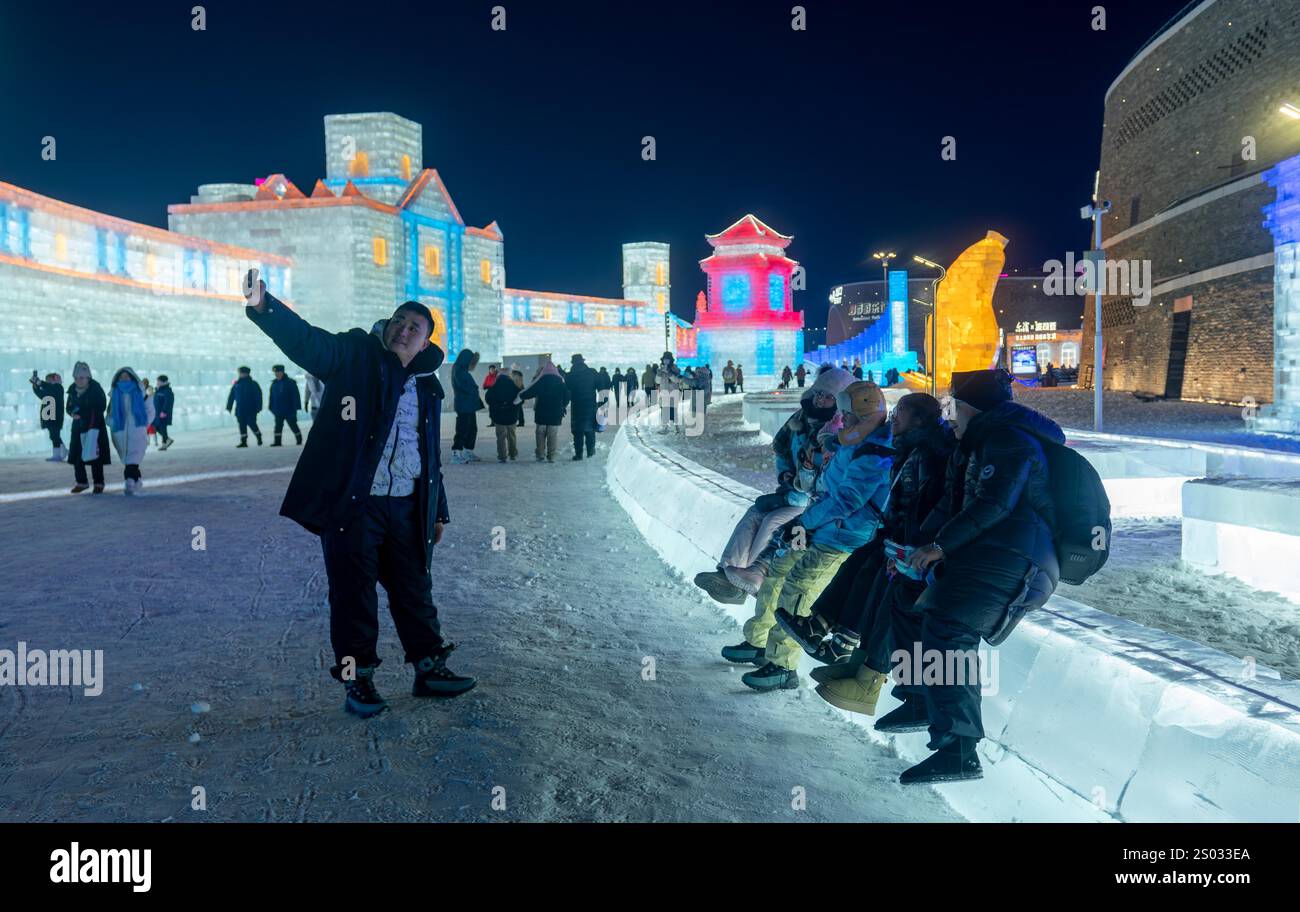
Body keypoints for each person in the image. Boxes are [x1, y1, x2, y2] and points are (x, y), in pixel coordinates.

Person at [243, 270, 473, 718]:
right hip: (355, 504)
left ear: (426, 343)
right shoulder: (353, 356)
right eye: (399, 321)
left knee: (414, 591)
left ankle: (429, 667)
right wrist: (264, 307)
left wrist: (437, 510)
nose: (404, 330)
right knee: (353, 596)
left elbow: (428, 453)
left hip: (407, 505)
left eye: (415, 328)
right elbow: (308, 342)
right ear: (387, 327)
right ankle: (359, 681)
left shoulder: (427, 385)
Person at [892, 369, 1061, 784]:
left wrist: (941, 546)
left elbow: (995, 505)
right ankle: (918, 699)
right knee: (911, 601)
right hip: (988, 551)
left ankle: (960, 749)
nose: (948, 415)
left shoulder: (1008, 441)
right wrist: (913, 544)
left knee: (949, 629)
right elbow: (954, 505)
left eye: (953, 406)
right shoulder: (977, 442)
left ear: (971, 408)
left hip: (1017, 557)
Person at [785, 394, 955, 714]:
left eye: (901, 413)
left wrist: (905, 545)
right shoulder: (910, 448)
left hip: (917, 547)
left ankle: (866, 675)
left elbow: (924, 505)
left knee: (886, 586)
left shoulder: (927, 452)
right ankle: (843, 648)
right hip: (901, 540)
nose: (894, 418)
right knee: (862, 564)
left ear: (919, 420)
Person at [735, 381, 894, 692]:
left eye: (848, 415)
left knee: (799, 589)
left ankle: (782, 664)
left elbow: (847, 500)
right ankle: (762, 641)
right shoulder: (852, 442)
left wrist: (805, 523)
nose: (842, 420)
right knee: (778, 572)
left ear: (864, 416)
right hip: (822, 525)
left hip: (841, 536)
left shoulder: (874, 454)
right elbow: (828, 480)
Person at [697, 367, 855, 605]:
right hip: (792, 491)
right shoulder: (800, 418)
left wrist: (795, 492)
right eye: (819, 393)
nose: (821, 400)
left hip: (812, 502)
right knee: (755, 513)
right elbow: (781, 449)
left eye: (829, 396)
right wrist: (785, 476)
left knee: (773, 521)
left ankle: (750, 577)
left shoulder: (836, 432)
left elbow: (820, 479)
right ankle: (726, 571)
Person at [107, 366, 155, 495]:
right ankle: (136, 479)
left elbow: (150, 411)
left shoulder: (141, 394)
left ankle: (129, 482)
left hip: (137, 432)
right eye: (121, 377)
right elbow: (109, 414)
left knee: (132, 460)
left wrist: (143, 425)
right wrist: (112, 423)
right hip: (120, 433)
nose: (124, 379)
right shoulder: (115, 394)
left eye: (127, 376)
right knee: (128, 460)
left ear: (133, 377)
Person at [67, 362, 110, 494]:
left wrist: (83, 413)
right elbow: (68, 406)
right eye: (76, 378)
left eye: (81, 377)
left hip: (93, 426)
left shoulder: (95, 388)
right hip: (78, 427)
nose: (78, 380)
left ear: (88, 377)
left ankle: (98, 483)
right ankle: (81, 482)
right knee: (77, 455)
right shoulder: (72, 390)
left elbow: (101, 406)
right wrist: (72, 413)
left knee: (94, 454)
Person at [519, 358, 569, 462]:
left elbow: (529, 392)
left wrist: (521, 395)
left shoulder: (540, 381)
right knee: (552, 435)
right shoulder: (560, 382)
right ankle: (551, 456)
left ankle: (540, 454)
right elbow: (567, 397)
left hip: (541, 413)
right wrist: (562, 405)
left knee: (540, 434)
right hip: (555, 414)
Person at [450, 349, 484, 463]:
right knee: (463, 429)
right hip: (464, 404)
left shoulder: (461, 370)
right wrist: (473, 390)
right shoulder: (459, 371)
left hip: (468, 404)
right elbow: (465, 387)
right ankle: (456, 452)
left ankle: (468, 450)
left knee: (472, 429)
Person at [485, 367, 521, 462]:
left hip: (498, 415)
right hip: (511, 415)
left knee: (500, 437)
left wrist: (497, 405)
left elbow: (488, 398)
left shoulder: (494, 386)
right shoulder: (514, 386)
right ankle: (513, 454)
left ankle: (502, 456)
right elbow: (521, 398)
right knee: (511, 435)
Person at [566, 353, 599, 460]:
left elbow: (567, 389)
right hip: (591, 406)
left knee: (578, 432)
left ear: (573, 363)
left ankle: (578, 454)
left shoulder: (570, 375)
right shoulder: (592, 372)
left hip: (577, 407)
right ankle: (590, 452)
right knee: (590, 431)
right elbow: (600, 386)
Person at [30, 370, 66, 462]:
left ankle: (57, 455)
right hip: (49, 416)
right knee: (53, 435)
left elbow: (49, 388)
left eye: (48, 380)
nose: (47, 382)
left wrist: (39, 382)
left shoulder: (58, 387)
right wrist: (35, 385)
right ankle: (63, 451)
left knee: (55, 435)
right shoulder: (50, 389)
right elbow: (41, 395)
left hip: (55, 416)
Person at [226, 366, 263, 447]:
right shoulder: (237, 384)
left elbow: (258, 396)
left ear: (246, 374)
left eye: (242, 373)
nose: (241, 374)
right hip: (240, 409)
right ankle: (244, 442)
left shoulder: (253, 384)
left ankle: (258, 436)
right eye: (240, 373)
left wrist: (259, 407)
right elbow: (231, 396)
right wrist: (229, 407)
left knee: (252, 424)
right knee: (242, 425)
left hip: (251, 409)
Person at [269, 364, 304, 446]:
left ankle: (299, 439)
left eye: (278, 372)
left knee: (293, 425)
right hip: (278, 410)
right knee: (278, 426)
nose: (277, 374)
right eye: (275, 372)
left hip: (289, 409)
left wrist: (296, 407)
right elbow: (272, 397)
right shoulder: (274, 383)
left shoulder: (290, 382)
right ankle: (277, 442)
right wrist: (271, 407)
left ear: (282, 372)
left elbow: (295, 395)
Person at [152, 375, 175, 450]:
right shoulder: (159, 390)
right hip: (157, 413)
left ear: (163, 382)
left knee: (162, 427)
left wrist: (164, 412)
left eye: (159, 381)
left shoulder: (167, 391)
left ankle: (164, 444)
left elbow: (168, 402)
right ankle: (167, 440)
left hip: (163, 413)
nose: (157, 383)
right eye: (157, 381)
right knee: (157, 426)